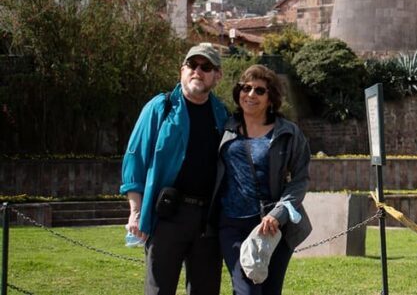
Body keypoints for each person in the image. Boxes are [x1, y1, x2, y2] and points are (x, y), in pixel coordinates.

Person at [121, 43, 229, 295]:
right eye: (192, 65)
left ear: (217, 75)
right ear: (182, 70)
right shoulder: (161, 107)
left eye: (206, 67)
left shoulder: (221, 114)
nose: (197, 71)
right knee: (159, 290)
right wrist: (135, 212)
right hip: (167, 216)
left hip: (207, 220)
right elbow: (135, 160)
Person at [215, 65, 312, 295]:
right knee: (247, 290)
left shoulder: (288, 133)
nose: (250, 95)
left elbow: (300, 179)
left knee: (270, 291)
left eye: (259, 90)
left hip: (272, 227)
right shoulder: (225, 128)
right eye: (245, 88)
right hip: (232, 224)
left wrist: (278, 214)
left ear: (271, 99)